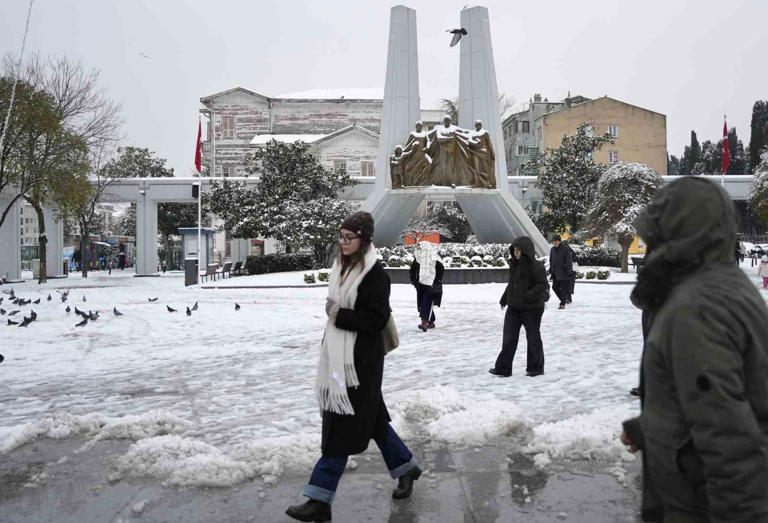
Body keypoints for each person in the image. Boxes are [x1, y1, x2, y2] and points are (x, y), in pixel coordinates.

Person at [621, 177, 768, 522]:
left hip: (699, 506)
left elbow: (728, 437)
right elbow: (717, 395)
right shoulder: (718, 284)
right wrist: (651, 427)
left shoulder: (697, 308)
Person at [286, 211, 421, 523]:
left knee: (341, 426)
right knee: (370, 420)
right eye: (341, 237)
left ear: (364, 239)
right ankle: (406, 466)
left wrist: (337, 315)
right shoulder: (342, 267)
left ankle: (319, 500)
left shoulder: (375, 275)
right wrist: (335, 320)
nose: (343, 243)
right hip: (339, 356)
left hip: (361, 363)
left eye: (350, 238)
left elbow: (376, 319)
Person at [489, 237, 549, 378]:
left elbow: (542, 285)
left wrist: (527, 295)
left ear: (526, 251)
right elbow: (512, 284)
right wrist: (504, 299)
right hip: (514, 307)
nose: (516, 253)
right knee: (509, 337)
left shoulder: (536, 266)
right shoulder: (514, 265)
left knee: (533, 337)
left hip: (533, 308)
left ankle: (536, 367)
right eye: (514, 251)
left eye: (518, 250)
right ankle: (503, 368)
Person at [409, 240, 444, 331]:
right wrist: (414, 280)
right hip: (420, 283)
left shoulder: (434, 257)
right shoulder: (418, 258)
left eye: (419, 247)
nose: (418, 248)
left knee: (426, 302)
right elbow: (413, 269)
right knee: (422, 304)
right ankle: (431, 322)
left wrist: (436, 281)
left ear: (425, 247)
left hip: (431, 284)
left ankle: (424, 322)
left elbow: (441, 269)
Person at [549, 235, 574, 309]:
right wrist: (551, 269)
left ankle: (562, 303)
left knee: (563, 288)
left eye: (556, 241)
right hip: (555, 272)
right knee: (554, 287)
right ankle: (563, 299)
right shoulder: (552, 249)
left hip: (564, 272)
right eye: (553, 241)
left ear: (559, 241)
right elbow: (551, 260)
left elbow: (569, 261)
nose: (554, 243)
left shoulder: (565, 249)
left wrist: (569, 271)